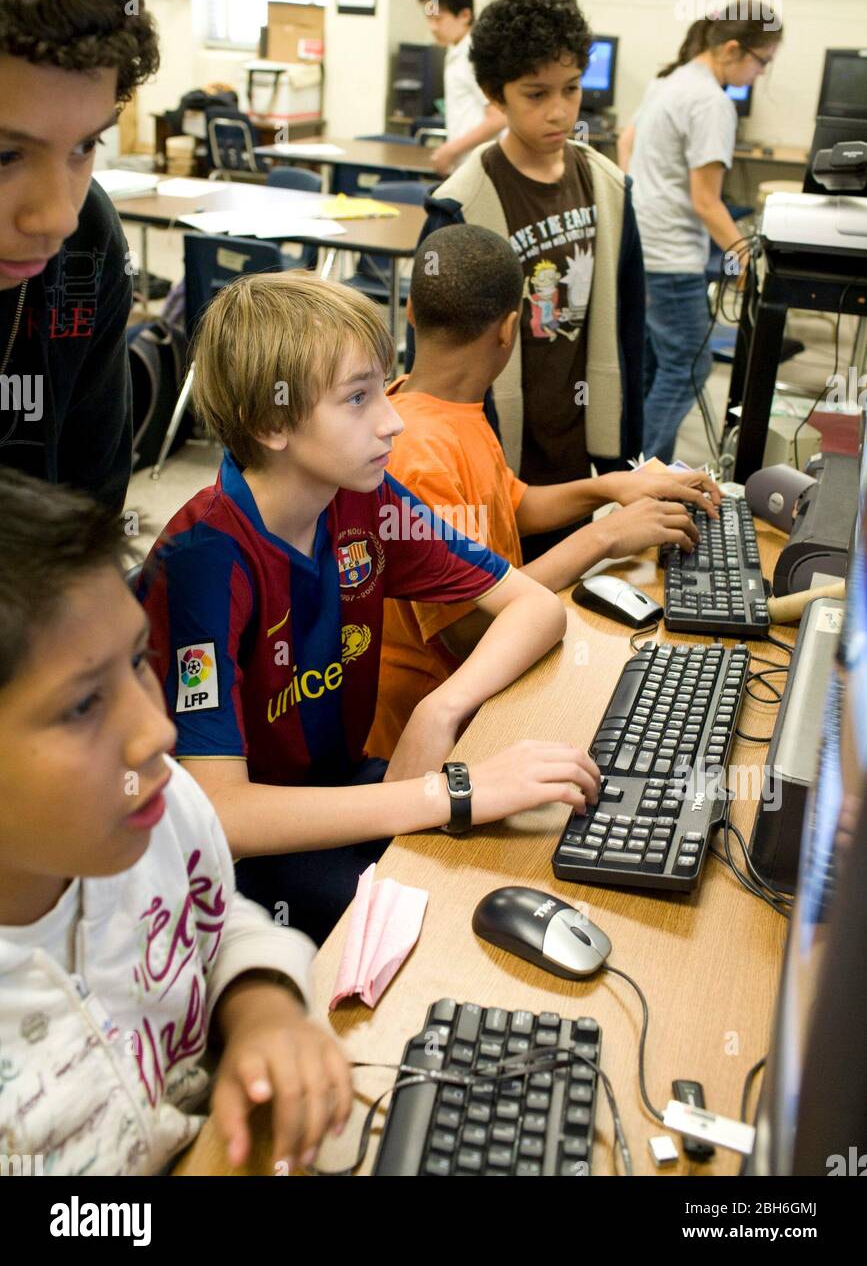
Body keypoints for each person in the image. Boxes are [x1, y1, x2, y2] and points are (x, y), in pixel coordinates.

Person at [139, 272, 600, 945]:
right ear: (272, 422)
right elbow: (222, 813)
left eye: (383, 387)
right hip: (238, 863)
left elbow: (534, 608)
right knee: (447, 923)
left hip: (342, 790)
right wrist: (452, 794)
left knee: (525, 854)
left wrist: (438, 709)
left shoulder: (365, 501)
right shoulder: (204, 560)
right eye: (357, 399)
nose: (393, 419)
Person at [0, 468, 352, 1176]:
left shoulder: (155, 807)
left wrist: (262, 1008)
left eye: (138, 661)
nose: (157, 730)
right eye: (81, 706)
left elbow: (223, 923)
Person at [367, 225, 720, 755]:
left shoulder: (442, 406)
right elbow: (471, 630)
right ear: (509, 329)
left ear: (411, 310)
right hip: (434, 733)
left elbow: (510, 506)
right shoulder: (421, 453)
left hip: (481, 693)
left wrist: (610, 489)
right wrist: (601, 540)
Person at [410, 0, 646, 562]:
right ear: (495, 93)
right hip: (495, 465)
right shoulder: (461, 205)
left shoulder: (610, 188)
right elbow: (435, 366)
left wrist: (626, 457)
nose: (560, 111)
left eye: (571, 89)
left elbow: (630, 332)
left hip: (580, 457)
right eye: (536, 94)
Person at [0, 0, 161, 511]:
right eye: (5, 154)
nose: (57, 215)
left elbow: (91, 510)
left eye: (84, 146)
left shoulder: (89, 246)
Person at [627, 6, 782, 464]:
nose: (760, 74)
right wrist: (745, 264)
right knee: (690, 368)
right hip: (671, 256)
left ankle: (636, 470)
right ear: (732, 49)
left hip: (642, 245)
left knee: (656, 368)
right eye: (762, 62)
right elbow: (706, 201)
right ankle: (644, 475)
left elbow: (626, 144)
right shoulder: (711, 101)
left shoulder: (667, 81)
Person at [418, 0, 506, 175]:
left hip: (481, 170)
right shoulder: (456, 49)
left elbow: (499, 117)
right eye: (428, 18)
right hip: (467, 169)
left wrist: (450, 150)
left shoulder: (473, 54)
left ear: (465, 15)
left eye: (438, 19)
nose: (432, 27)